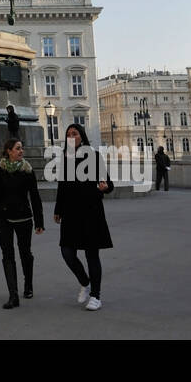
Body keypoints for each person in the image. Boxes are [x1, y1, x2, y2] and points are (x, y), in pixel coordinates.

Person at [53, 123, 114, 311]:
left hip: (90, 212)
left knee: (91, 255)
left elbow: (108, 183)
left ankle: (96, 296)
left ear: (82, 137)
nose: (72, 136)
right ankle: (85, 282)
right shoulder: (65, 159)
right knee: (67, 252)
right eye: (69, 134)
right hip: (71, 213)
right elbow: (62, 187)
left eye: (75, 133)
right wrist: (58, 209)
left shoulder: (93, 156)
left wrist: (105, 188)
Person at [0, 138, 44, 308]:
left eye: (22, 148)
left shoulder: (27, 170)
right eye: (18, 148)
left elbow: (35, 197)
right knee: (7, 255)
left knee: (25, 253)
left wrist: (39, 222)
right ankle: (13, 295)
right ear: (9, 151)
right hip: (3, 217)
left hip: (24, 217)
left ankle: (28, 285)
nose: (21, 151)